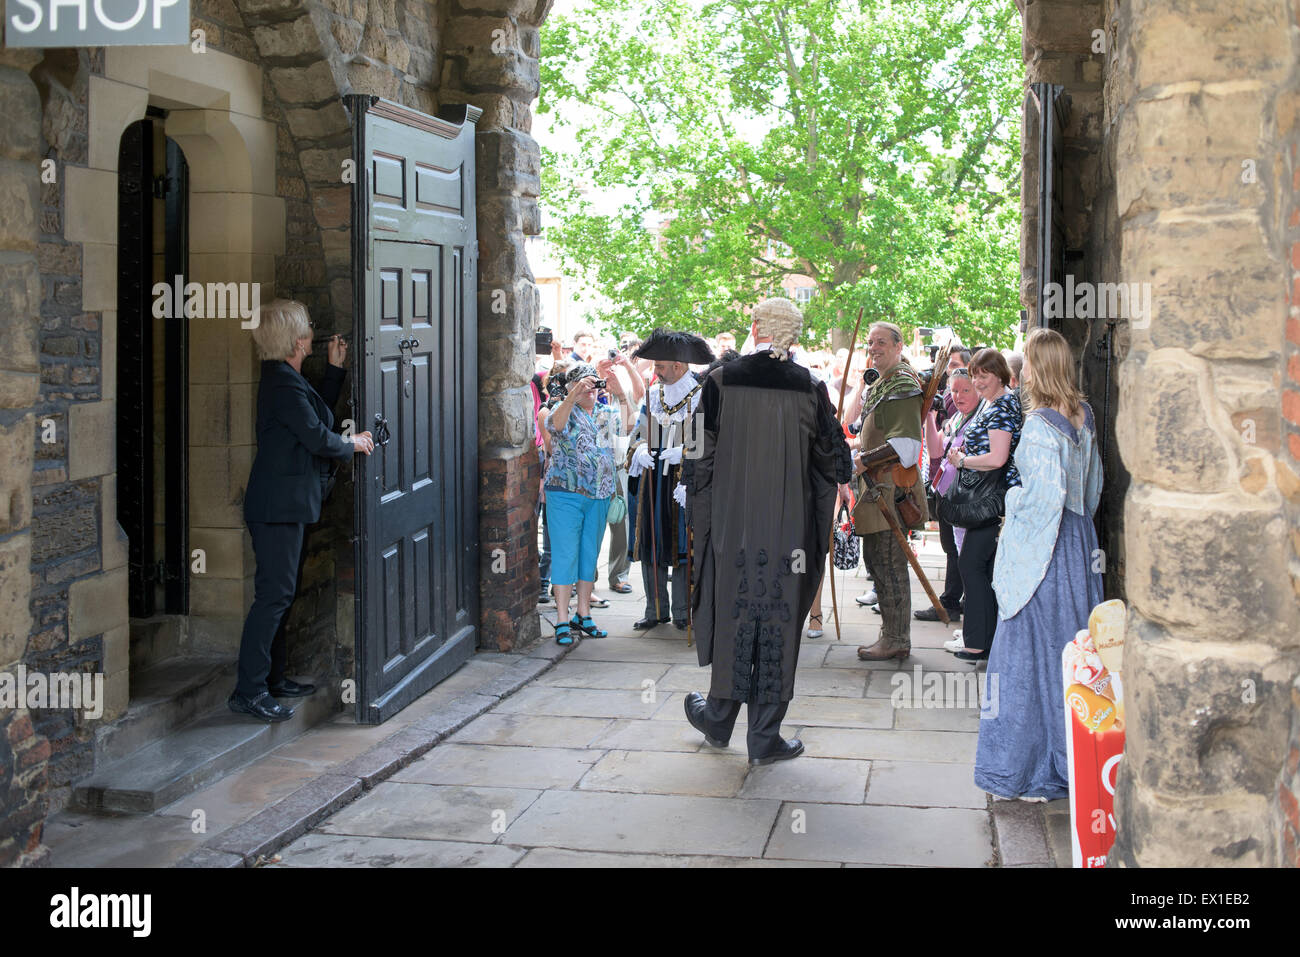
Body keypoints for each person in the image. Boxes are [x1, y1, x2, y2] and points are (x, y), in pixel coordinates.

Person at [686, 297, 851, 765]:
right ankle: (762, 735)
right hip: (789, 529)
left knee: (734, 614)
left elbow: (698, 455)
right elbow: (831, 462)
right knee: (778, 619)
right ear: (794, 335)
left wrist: (702, 513)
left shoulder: (718, 381)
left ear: (755, 327)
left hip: (733, 526)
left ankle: (719, 718)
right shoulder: (812, 388)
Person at [231, 300, 374, 722]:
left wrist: (334, 371)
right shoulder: (280, 383)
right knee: (272, 597)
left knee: (281, 594)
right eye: (309, 327)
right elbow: (317, 436)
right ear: (297, 339)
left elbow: (316, 417)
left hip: (285, 506)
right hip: (276, 508)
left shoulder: (287, 379)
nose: (315, 330)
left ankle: (273, 679)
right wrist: (353, 444)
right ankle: (249, 690)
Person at [975, 327, 1103, 800]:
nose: (1021, 371)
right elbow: (1090, 492)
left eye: (1027, 361)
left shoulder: (1041, 423)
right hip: (1079, 545)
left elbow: (1043, 501)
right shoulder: (1084, 416)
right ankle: (1074, 761)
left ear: (1039, 367)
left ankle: (1031, 770)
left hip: (1045, 553)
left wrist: (1012, 494)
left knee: (1028, 656)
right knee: (1073, 654)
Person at [851, 322, 929, 661]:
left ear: (899, 346)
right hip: (877, 488)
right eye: (870, 343)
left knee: (888, 563)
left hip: (890, 488)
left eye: (881, 342)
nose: (873, 348)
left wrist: (862, 461)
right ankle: (891, 634)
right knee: (878, 563)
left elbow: (907, 446)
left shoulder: (901, 383)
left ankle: (897, 638)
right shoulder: (884, 381)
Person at [627, 329, 714, 630]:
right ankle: (655, 610)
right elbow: (638, 434)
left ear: (679, 366)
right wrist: (638, 450)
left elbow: (708, 442)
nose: (656, 372)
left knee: (681, 547)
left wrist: (687, 452)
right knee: (652, 542)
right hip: (654, 482)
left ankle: (681, 612)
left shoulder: (701, 396)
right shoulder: (653, 396)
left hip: (682, 483)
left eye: (661, 366)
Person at [944, 348, 1023, 662]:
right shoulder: (998, 402)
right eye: (974, 374)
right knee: (982, 567)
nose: (977, 380)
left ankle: (978, 643)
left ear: (1000, 374)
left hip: (992, 498)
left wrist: (963, 461)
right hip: (992, 496)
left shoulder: (1003, 405)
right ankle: (983, 640)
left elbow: (998, 458)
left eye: (983, 374)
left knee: (972, 565)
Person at [542, 364, 628, 645]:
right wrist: (573, 395)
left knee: (589, 555)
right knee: (566, 554)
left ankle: (583, 614)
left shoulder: (606, 413)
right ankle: (563, 620)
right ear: (570, 386)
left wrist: (620, 393)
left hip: (599, 494)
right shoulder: (562, 409)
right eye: (583, 384)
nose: (590, 389)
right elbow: (554, 425)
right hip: (565, 493)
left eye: (593, 384)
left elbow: (629, 424)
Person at [597, 350, 644, 594]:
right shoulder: (595, 395)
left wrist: (627, 367)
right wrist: (597, 374)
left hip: (619, 467)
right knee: (593, 525)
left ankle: (618, 575)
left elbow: (630, 423)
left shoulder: (627, 400)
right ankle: (587, 579)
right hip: (595, 469)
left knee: (622, 524)